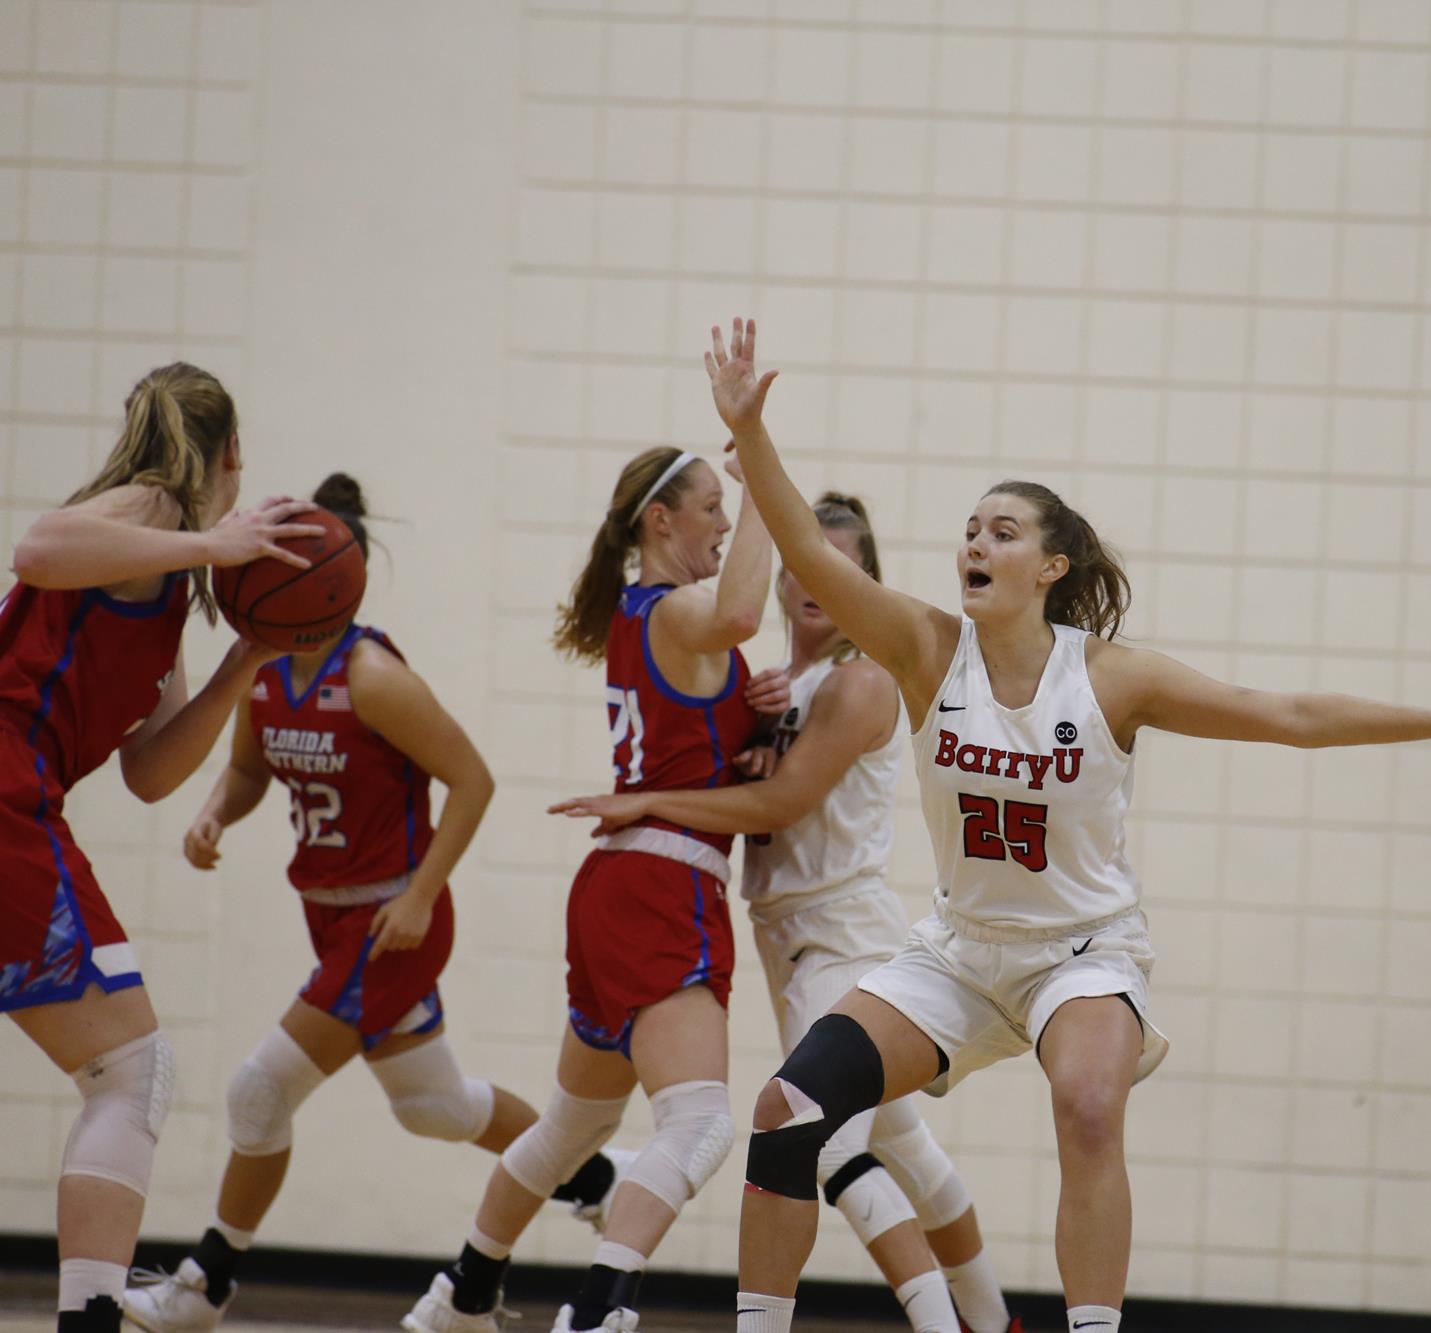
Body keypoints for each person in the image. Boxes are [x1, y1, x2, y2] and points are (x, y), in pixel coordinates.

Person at [702, 317, 1431, 1333]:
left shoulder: (1110, 676)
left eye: (1002, 530)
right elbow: (806, 549)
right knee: (786, 1113)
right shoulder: (924, 648)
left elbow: (1285, 715)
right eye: (969, 527)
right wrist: (750, 431)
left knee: (1089, 1107)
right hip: (956, 954)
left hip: (1081, 954)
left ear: (1051, 567)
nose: (974, 541)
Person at [123, 474, 618, 1331]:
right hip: (335, 917)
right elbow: (247, 770)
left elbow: (473, 780)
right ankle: (605, 1182)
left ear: (326, 580)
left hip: (393, 922)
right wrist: (213, 811)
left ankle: (203, 1287)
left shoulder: (375, 676)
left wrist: (423, 897)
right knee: (437, 1108)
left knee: (256, 1093)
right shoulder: (268, 671)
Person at [553, 492, 1022, 1333]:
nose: (818, 578)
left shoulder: (862, 678)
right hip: (790, 933)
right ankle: (998, 1323)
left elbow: (781, 800)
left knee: (832, 1142)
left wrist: (646, 802)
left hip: (840, 931)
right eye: (808, 559)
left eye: (839, 564)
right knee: (906, 1147)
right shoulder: (787, 684)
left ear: (863, 581)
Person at [403, 446, 787, 1333]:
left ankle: (460, 1296)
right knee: (697, 1127)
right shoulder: (680, 610)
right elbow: (736, 609)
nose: (725, 523)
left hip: (616, 882)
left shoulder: (639, 612)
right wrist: (766, 476)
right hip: (665, 883)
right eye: (712, 508)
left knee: (572, 1127)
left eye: (732, 506)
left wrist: (757, 736)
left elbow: (698, 727)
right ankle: (596, 1307)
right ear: (662, 520)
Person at [1, 362, 322, 1331]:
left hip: (24, 799)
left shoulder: (162, 577)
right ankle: (89, 1318)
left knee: (125, 1071)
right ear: (228, 454)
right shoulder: (143, 510)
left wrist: (245, 661)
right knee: (131, 1071)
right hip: (7, 792)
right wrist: (212, 536)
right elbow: (34, 544)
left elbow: (149, 769)